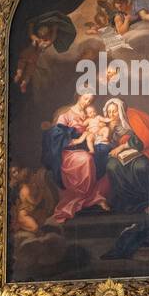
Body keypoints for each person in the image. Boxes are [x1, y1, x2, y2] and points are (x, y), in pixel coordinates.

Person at [42, 93, 111, 223]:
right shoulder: (66, 114)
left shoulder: (90, 114)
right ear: (78, 96)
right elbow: (56, 133)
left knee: (102, 157)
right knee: (86, 159)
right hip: (69, 151)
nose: (87, 102)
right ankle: (84, 198)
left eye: (90, 100)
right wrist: (73, 136)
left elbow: (98, 128)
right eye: (85, 98)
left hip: (87, 146)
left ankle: (90, 198)